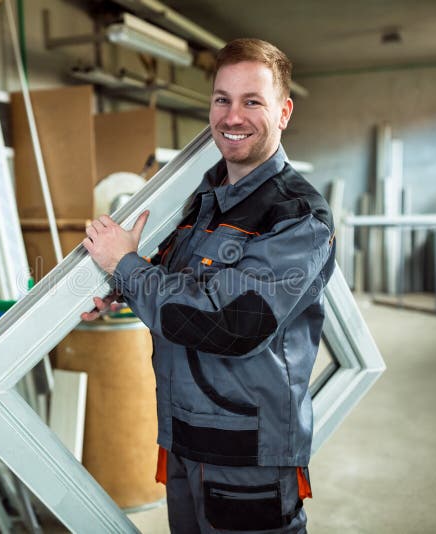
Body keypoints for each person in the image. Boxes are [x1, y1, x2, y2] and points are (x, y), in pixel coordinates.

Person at [81, 38, 336, 533]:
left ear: (284, 112)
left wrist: (128, 267)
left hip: (245, 457)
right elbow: (181, 290)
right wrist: (122, 289)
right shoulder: (204, 199)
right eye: (222, 99)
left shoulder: (296, 215)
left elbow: (227, 322)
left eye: (252, 101)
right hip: (184, 438)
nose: (232, 116)